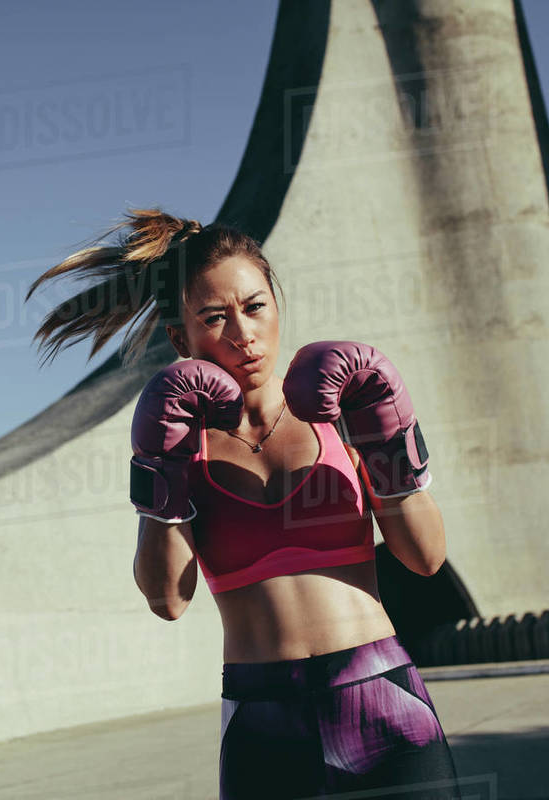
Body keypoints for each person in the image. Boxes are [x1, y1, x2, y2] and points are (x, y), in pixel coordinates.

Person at [27, 208, 462, 799]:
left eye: (255, 307)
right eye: (215, 318)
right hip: (261, 714)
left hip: (379, 691)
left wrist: (387, 443)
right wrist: (159, 477)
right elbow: (168, 600)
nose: (242, 334)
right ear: (182, 339)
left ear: (277, 309)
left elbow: (425, 557)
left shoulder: (342, 412)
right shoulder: (183, 446)